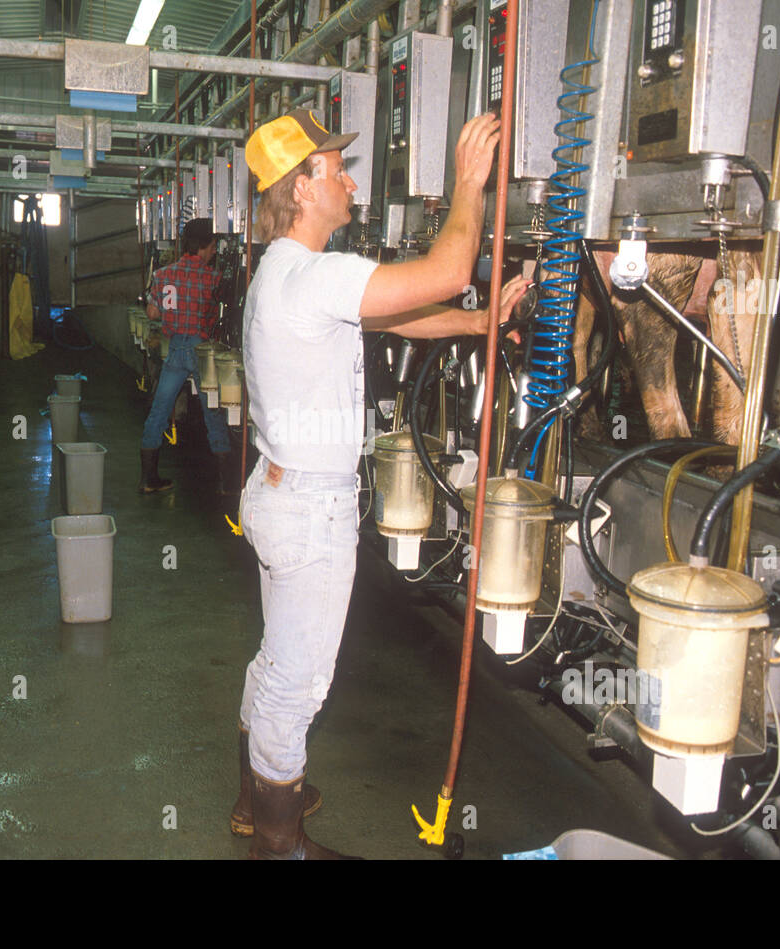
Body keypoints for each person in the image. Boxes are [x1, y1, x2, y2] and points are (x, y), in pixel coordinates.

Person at [232, 108, 530, 858]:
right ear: (300, 190)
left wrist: (470, 325)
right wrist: (469, 184)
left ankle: (256, 797)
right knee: (297, 686)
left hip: (278, 494)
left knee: (276, 662)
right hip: (310, 512)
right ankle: (280, 840)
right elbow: (448, 270)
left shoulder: (285, 274)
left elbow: (391, 314)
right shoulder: (314, 274)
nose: (350, 183)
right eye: (335, 171)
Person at [138, 217, 236, 494]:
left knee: (159, 411)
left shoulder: (163, 275)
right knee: (213, 413)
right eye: (214, 245)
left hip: (176, 348)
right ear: (206, 246)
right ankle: (225, 483)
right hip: (201, 352)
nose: (215, 251)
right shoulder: (213, 278)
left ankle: (148, 479)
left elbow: (153, 313)